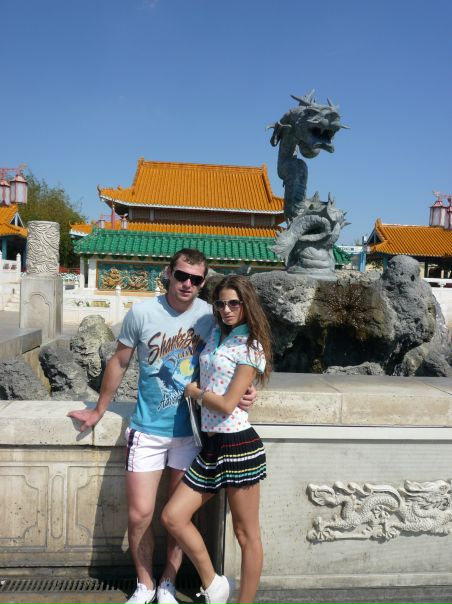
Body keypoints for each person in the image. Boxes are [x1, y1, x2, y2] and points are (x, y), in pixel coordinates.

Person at [68, 250, 256, 604]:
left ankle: (168, 582)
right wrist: (99, 409)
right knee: (140, 514)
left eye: (196, 279)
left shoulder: (211, 315)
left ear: (203, 282)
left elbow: (233, 357)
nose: (187, 284)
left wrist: (247, 391)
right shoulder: (142, 312)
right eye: (182, 275)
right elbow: (119, 361)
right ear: (169, 273)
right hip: (147, 428)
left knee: (177, 517)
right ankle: (145, 584)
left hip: (191, 432)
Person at [162, 275, 272, 604]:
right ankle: (214, 583)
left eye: (234, 303)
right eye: (221, 303)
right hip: (211, 446)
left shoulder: (250, 345)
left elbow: (226, 404)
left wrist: (195, 392)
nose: (226, 310)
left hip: (238, 445)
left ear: (246, 304)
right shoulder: (215, 334)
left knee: (246, 533)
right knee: (172, 517)